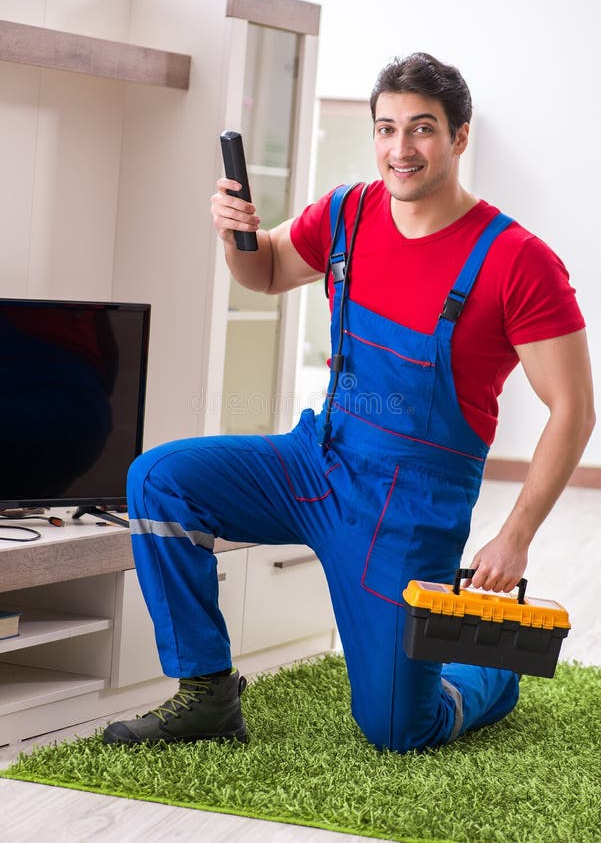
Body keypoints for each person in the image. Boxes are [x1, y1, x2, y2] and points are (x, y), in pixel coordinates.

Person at [103, 52, 595, 752]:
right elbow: (266, 271)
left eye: (422, 129)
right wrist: (234, 234)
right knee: (159, 479)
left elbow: (573, 408)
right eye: (386, 128)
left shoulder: (517, 260)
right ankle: (207, 692)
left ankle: (489, 672)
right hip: (316, 461)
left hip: (409, 503)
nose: (400, 149)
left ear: (458, 136)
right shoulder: (348, 212)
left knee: (397, 728)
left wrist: (514, 534)